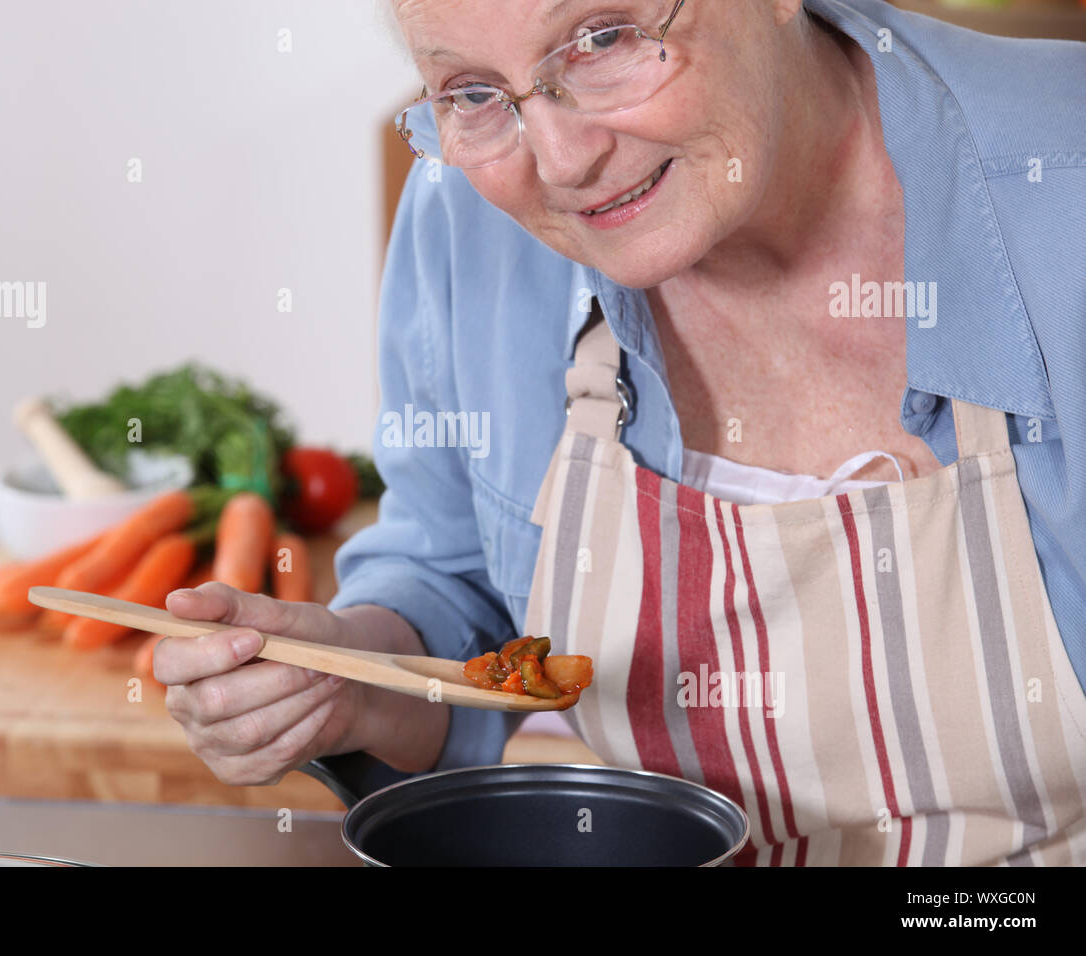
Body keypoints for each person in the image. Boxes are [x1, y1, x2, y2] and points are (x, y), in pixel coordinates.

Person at [158, 0, 1086, 865]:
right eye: (473, 93)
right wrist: (355, 683)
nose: (560, 161)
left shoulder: (1063, 193)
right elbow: (457, 582)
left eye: (602, 39)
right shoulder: (462, 219)